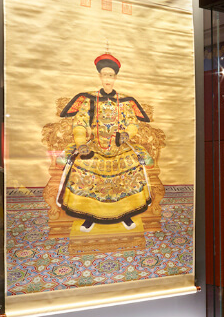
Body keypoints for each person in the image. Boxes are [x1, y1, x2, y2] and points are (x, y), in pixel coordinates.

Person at [56, 52, 153, 231]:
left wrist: (127, 134)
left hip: (119, 147)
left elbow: (133, 123)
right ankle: (89, 215)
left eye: (111, 75)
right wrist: (81, 143)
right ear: (100, 76)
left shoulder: (124, 101)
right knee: (83, 165)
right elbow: (80, 123)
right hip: (95, 146)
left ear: (115, 77)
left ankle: (126, 213)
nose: (107, 79)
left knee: (131, 165)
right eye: (104, 75)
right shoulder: (89, 99)